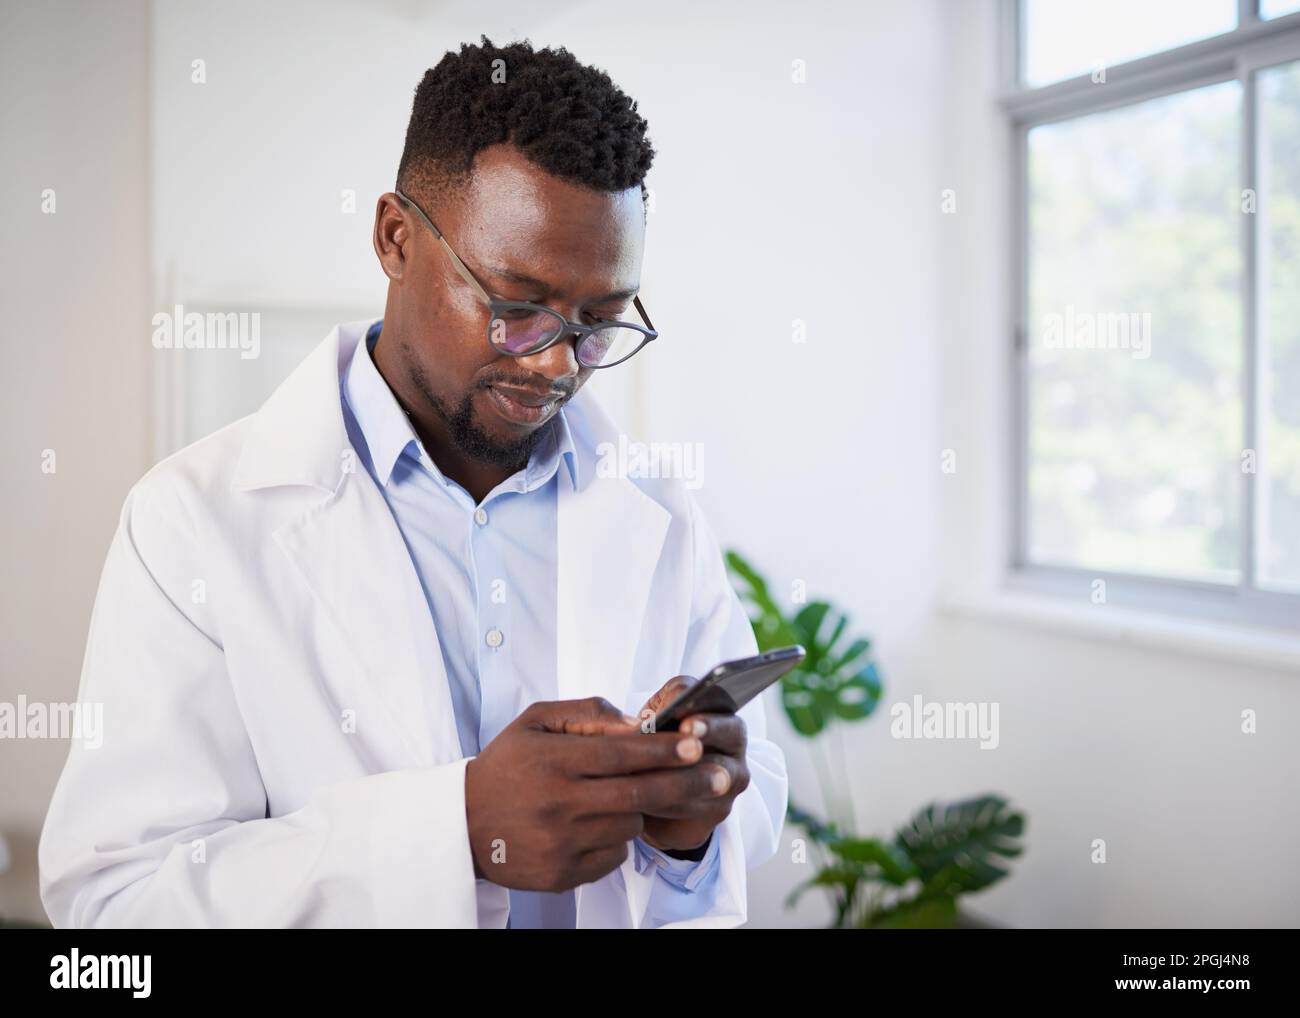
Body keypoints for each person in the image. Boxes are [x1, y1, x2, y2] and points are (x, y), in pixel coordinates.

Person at [39, 35, 787, 929]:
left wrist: (690, 828)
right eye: (515, 308)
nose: (556, 363)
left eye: (599, 323)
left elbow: (756, 805)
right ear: (396, 238)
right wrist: (460, 830)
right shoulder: (191, 522)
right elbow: (116, 904)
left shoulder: (657, 509)